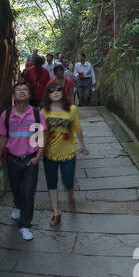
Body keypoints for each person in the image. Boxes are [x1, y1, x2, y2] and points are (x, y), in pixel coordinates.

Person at [0, 80, 44, 241]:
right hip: (12, 159)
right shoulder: (6, 115)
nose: (22, 91)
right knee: (15, 188)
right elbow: (2, 138)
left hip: (30, 160)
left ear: (30, 95)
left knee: (29, 192)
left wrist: (37, 157)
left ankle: (25, 225)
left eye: (25, 89)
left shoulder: (36, 114)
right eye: (18, 90)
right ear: (13, 96)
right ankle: (17, 204)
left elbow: (40, 138)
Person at [41, 83, 84, 229]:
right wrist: (39, 150)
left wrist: (82, 144)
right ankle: (56, 212)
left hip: (68, 152)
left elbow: (77, 127)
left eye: (59, 90)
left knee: (68, 180)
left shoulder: (72, 109)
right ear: (48, 95)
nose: (55, 92)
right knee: (51, 182)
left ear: (63, 93)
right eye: (52, 91)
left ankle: (70, 195)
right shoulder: (43, 112)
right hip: (49, 153)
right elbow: (41, 132)